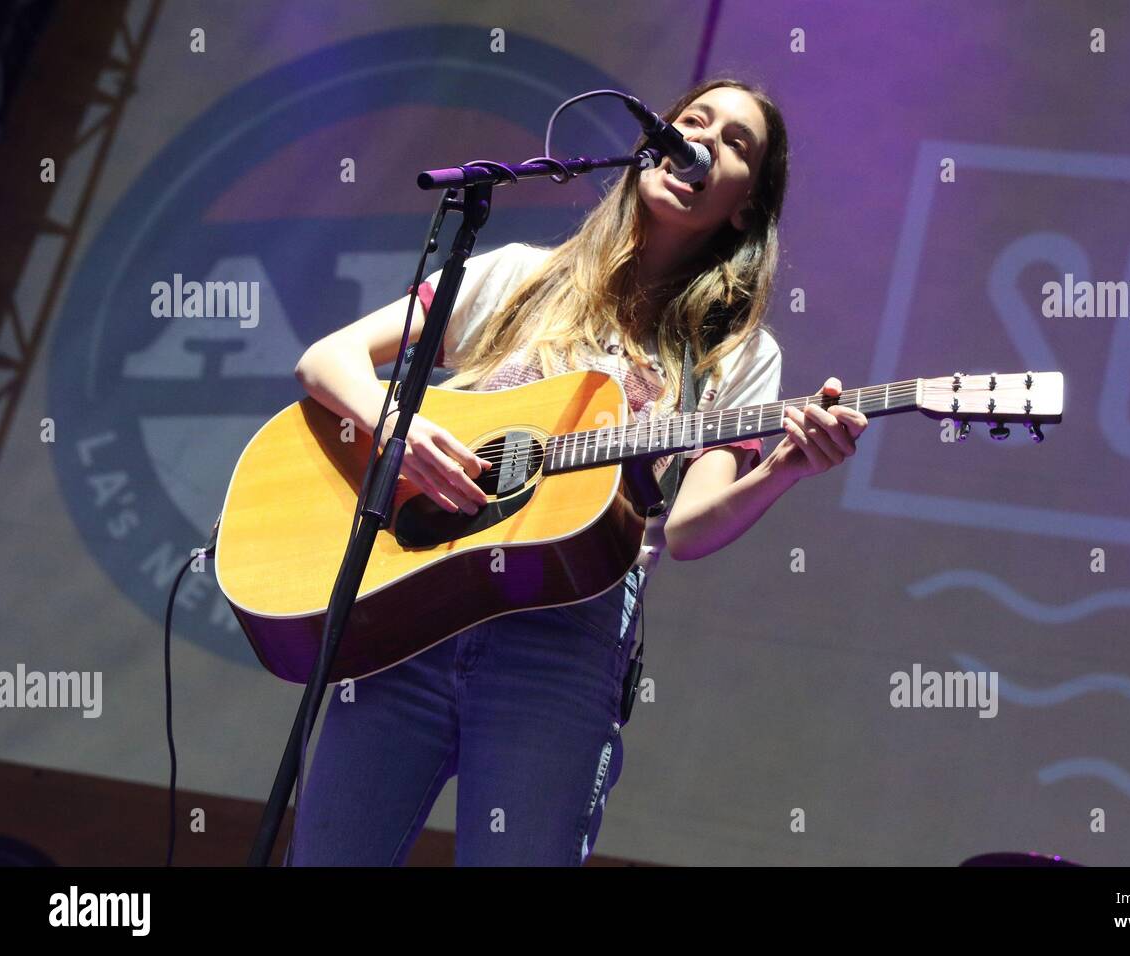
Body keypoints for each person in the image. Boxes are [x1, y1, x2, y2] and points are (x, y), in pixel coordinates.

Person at [287, 77, 868, 866]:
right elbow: (328, 360)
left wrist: (784, 471)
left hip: (562, 649)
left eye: (735, 143)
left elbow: (689, 531)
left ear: (743, 205)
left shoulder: (737, 355)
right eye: (693, 121)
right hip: (413, 617)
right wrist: (403, 429)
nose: (702, 140)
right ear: (647, 146)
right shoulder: (519, 274)